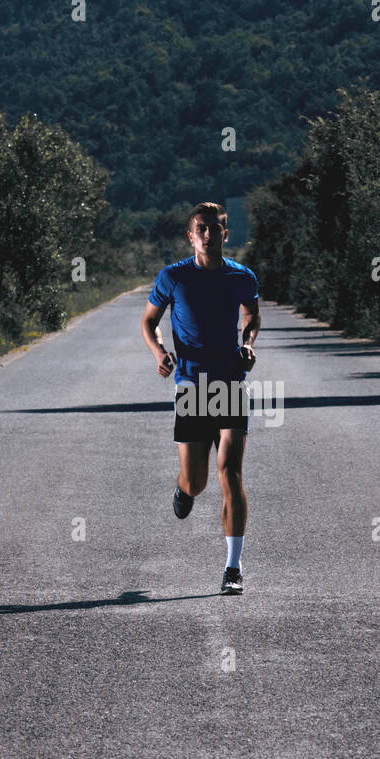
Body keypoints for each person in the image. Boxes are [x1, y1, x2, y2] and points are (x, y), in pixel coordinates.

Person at [140, 201, 261, 595]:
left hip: (229, 382)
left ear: (226, 234)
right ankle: (183, 489)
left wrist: (247, 343)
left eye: (215, 228)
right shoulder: (174, 277)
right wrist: (160, 354)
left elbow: (252, 315)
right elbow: (149, 322)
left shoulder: (242, 276)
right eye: (201, 229)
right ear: (191, 236)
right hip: (192, 386)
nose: (208, 234)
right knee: (196, 483)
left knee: (231, 472)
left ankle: (233, 568)